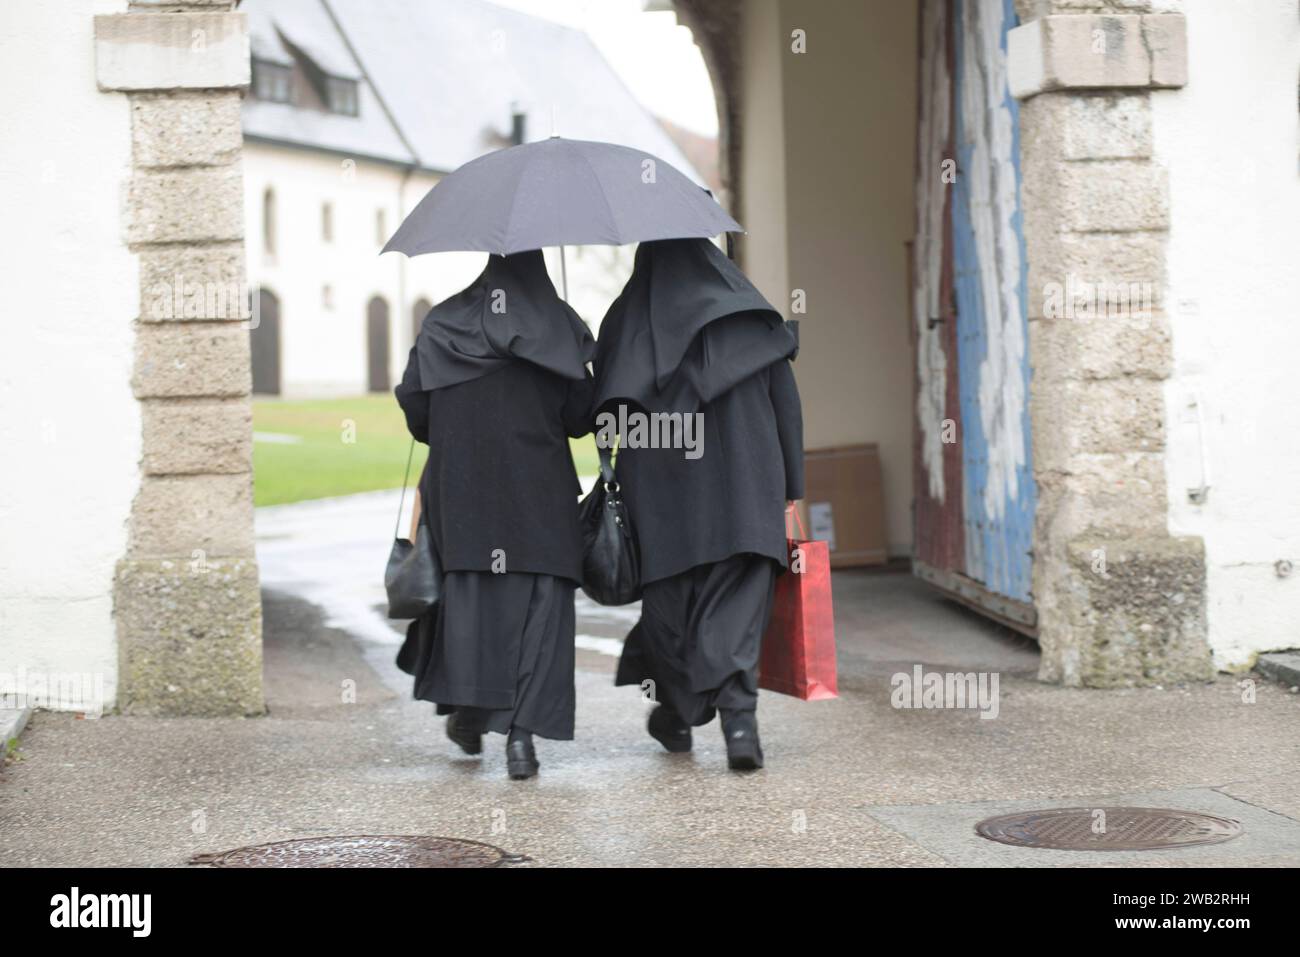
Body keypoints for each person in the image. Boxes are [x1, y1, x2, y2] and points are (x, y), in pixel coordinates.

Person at [593, 238, 803, 771]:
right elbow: (785, 406)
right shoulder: (749, 313)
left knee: (672, 612)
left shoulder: (627, 318)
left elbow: (606, 413)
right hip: (746, 488)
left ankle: (679, 712)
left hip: (664, 499)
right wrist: (791, 490)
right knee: (733, 606)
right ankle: (737, 722)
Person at [394, 249, 594, 780]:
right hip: (540, 496)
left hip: (462, 493)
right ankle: (522, 742)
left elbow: (417, 410)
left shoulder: (442, 321)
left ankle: (468, 711)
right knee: (540, 614)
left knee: (473, 610)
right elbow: (581, 419)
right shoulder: (560, 324)